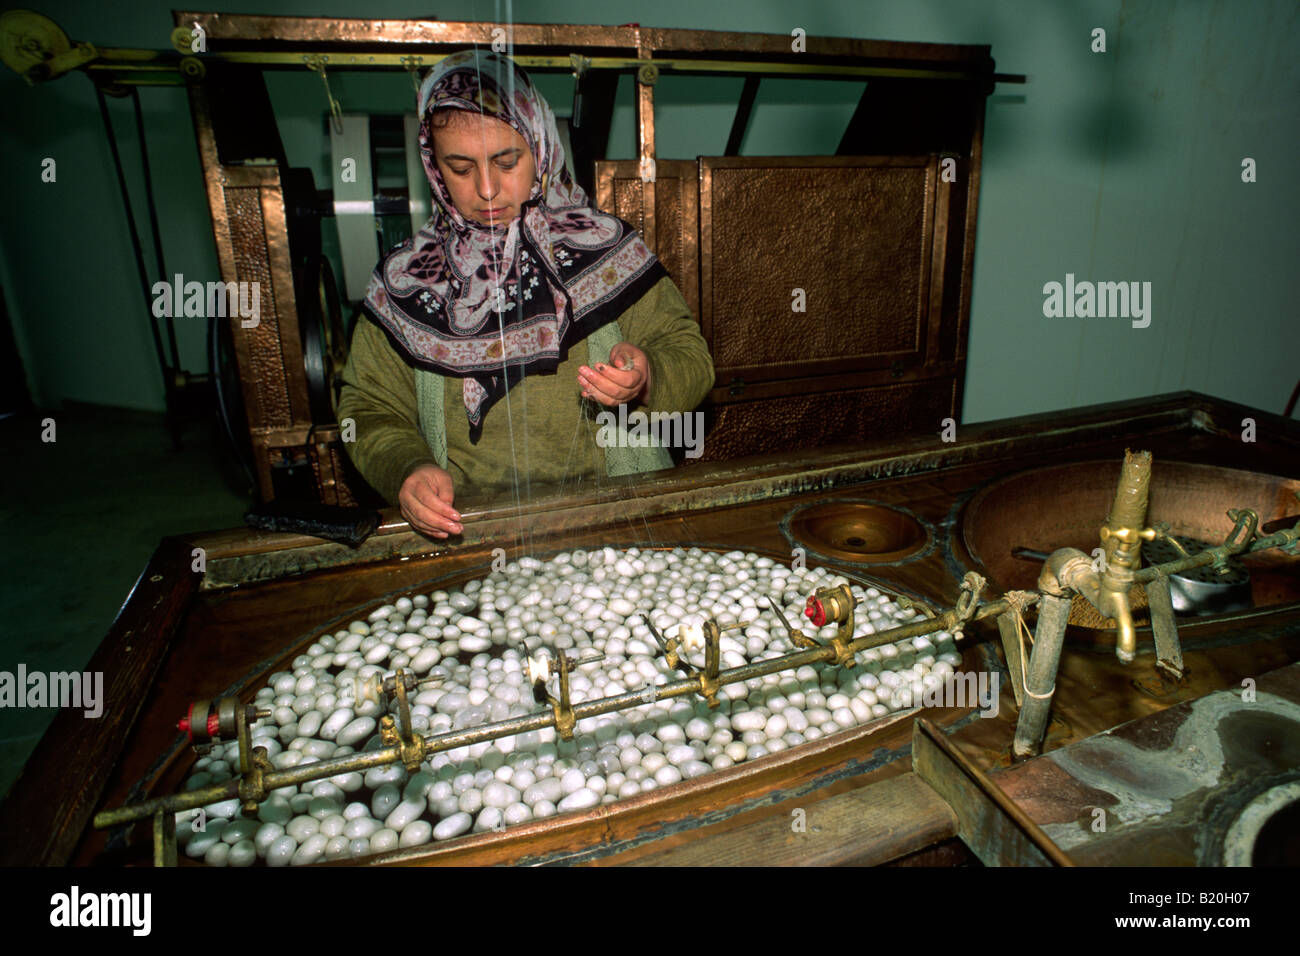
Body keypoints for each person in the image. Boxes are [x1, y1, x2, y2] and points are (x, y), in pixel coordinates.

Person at [337, 50, 714, 539]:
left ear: (539, 145)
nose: (488, 189)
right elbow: (368, 408)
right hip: (472, 530)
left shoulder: (606, 250)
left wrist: (646, 378)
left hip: (615, 517)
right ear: (434, 166)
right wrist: (406, 468)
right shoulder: (406, 283)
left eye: (506, 161)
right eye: (460, 167)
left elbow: (693, 360)